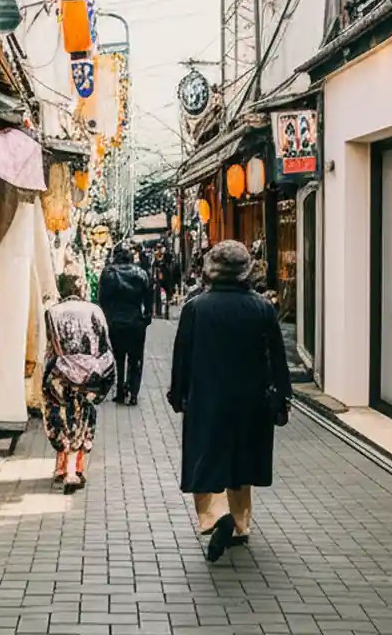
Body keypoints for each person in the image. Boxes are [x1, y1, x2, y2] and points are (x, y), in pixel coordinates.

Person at [169, 241, 292, 563]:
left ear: (211, 269)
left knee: (205, 456)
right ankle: (240, 523)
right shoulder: (263, 307)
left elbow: (181, 355)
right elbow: (277, 356)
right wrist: (282, 396)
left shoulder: (196, 307)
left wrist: (177, 393)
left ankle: (215, 516)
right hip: (252, 398)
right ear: (245, 270)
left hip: (207, 395)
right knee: (242, 459)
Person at [43, 274, 116, 494]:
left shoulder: (52, 312)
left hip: (61, 372)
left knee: (61, 416)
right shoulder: (95, 310)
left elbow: (51, 347)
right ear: (82, 287)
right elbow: (105, 343)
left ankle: (64, 468)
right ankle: (74, 469)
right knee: (82, 416)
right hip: (89, 374)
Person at [98, 243, 153, 405]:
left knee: (119, 357)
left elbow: (102, 299)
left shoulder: (108, 273)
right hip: (136, 322)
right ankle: (133, 392)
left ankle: (120, 390)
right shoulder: (141, 274)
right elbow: (148, 299)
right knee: (136, 359)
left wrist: (106, 318)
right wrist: (146, 317)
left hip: (116, 322)